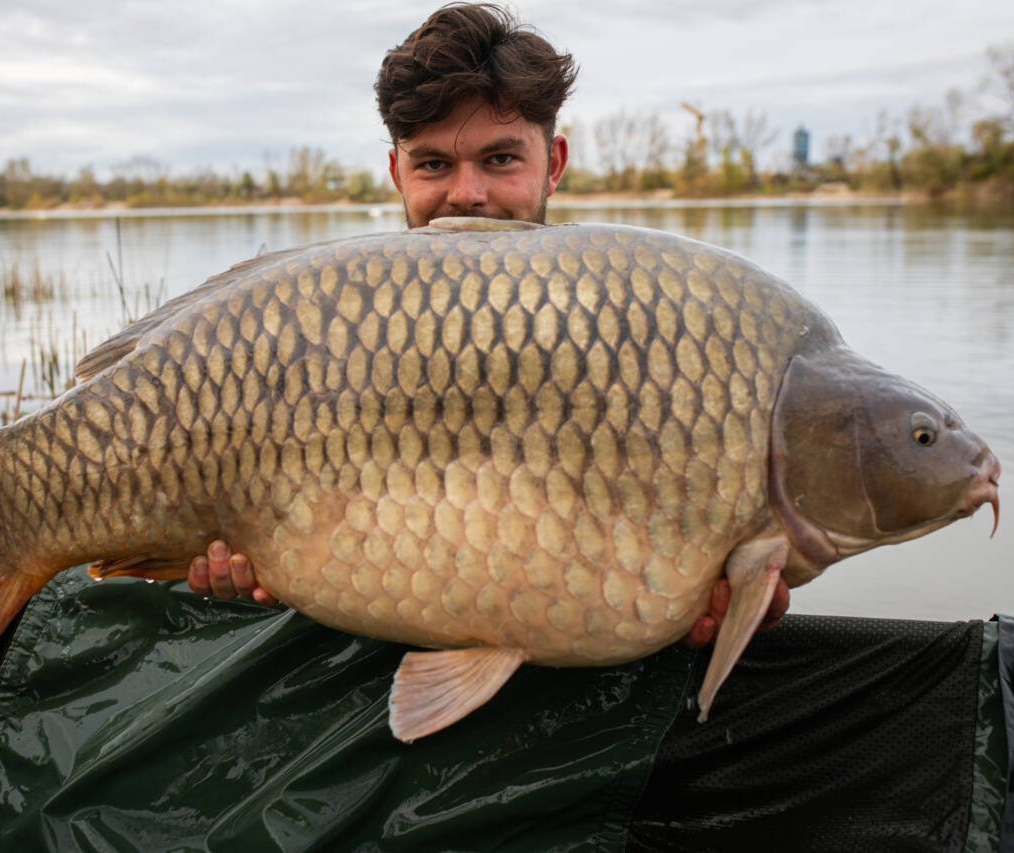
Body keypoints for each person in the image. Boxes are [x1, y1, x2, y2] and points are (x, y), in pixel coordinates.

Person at [183, 1, 789, 647]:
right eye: (434, 164)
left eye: (500, 159)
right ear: (397, 172)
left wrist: (729, 585)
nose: (467, 193)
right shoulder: (316, 325)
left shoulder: (647, 327)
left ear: (553, 161)